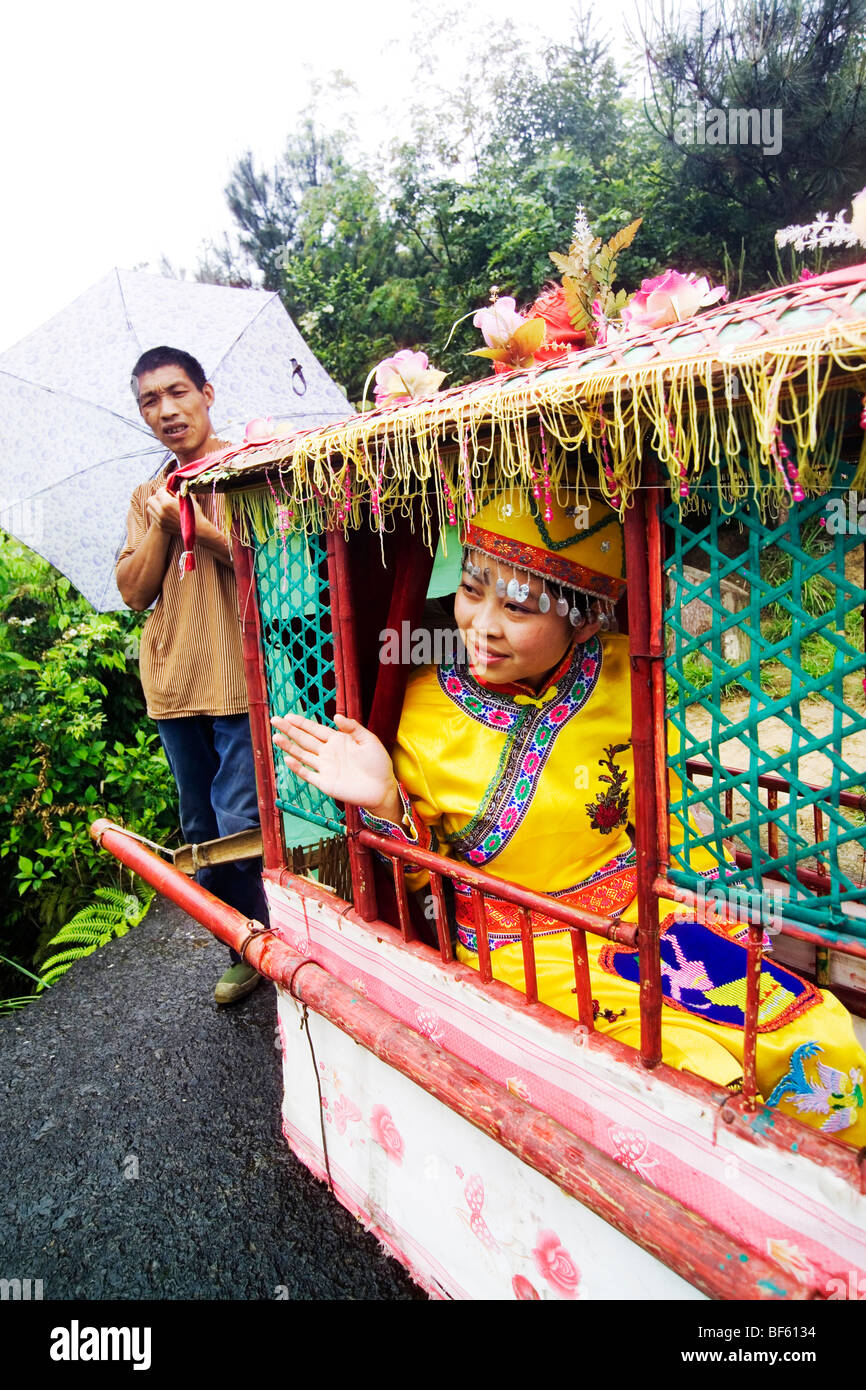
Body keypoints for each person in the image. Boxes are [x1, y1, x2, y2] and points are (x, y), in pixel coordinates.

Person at [272, 490, 866, 1145]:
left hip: (647, 915)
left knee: (819, 1034)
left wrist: (713, 901)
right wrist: (385, 802)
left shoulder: (622, 673)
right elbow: (421, 896)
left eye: (519, 607)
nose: (481, 625)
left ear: (584, 624)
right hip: (521, 947)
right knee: (698, 1077)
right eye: (472, 590)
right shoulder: (412, 709)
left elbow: (666, 815)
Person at [116, 346, 267, 1005]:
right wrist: (158, 523)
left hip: (238, 677)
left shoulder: (247, 471)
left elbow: (276, 563)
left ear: (206, 393)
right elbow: (132, 592)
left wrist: (200, 529)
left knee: (240, 823)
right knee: (201, 832)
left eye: (177, 393)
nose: (167, 410)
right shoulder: (148, 493)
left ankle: (272, 938)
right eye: (151, 401)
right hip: (172, 684)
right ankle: (244, 941)